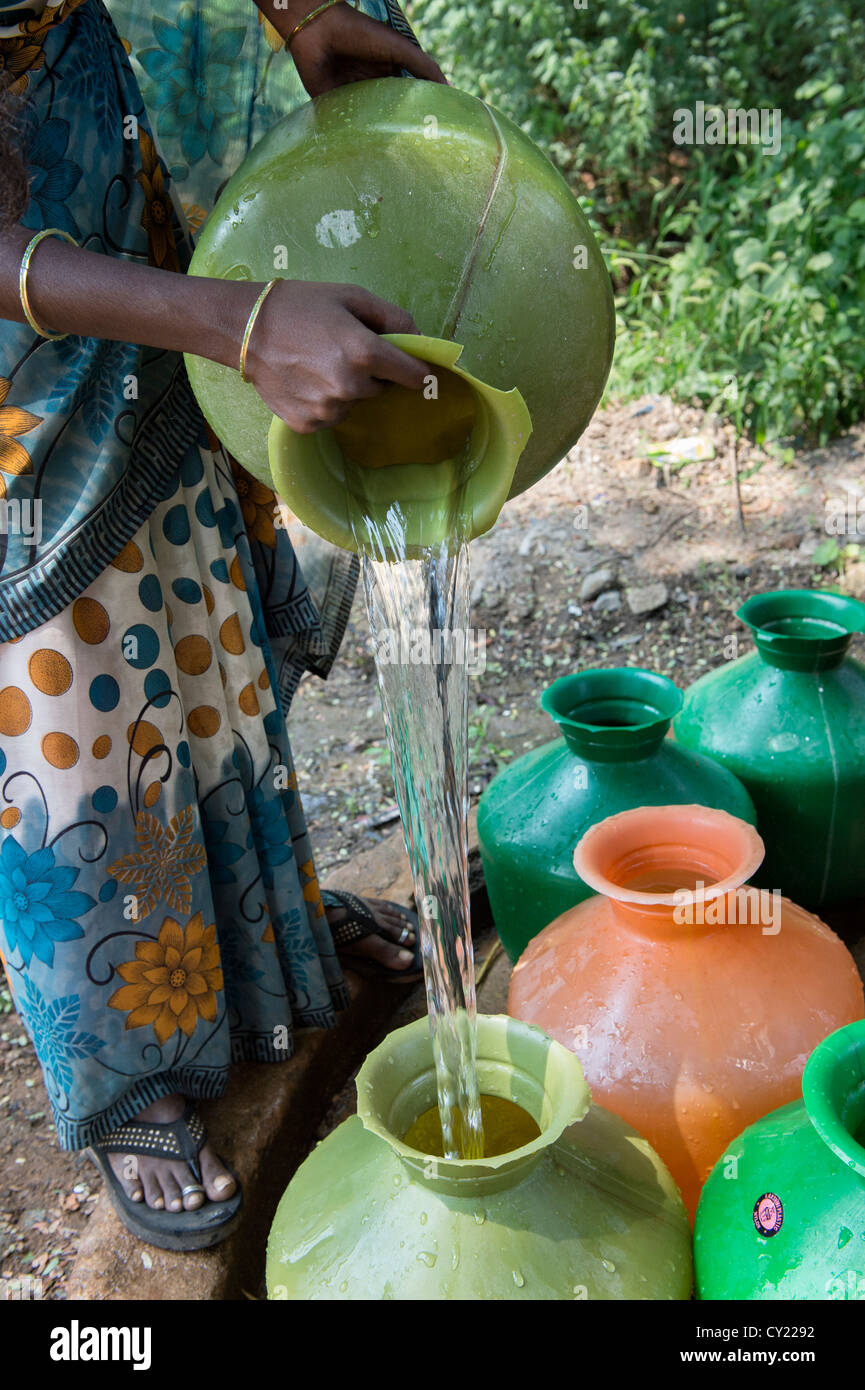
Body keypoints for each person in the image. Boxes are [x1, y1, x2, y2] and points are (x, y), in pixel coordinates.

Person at [0, 0, 446, 1249]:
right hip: (12, 343)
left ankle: (265, 941)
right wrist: (236, 322)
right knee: (69, 679)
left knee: (189, 599)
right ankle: (129, 1071)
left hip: (94, 165)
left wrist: (296, 7)